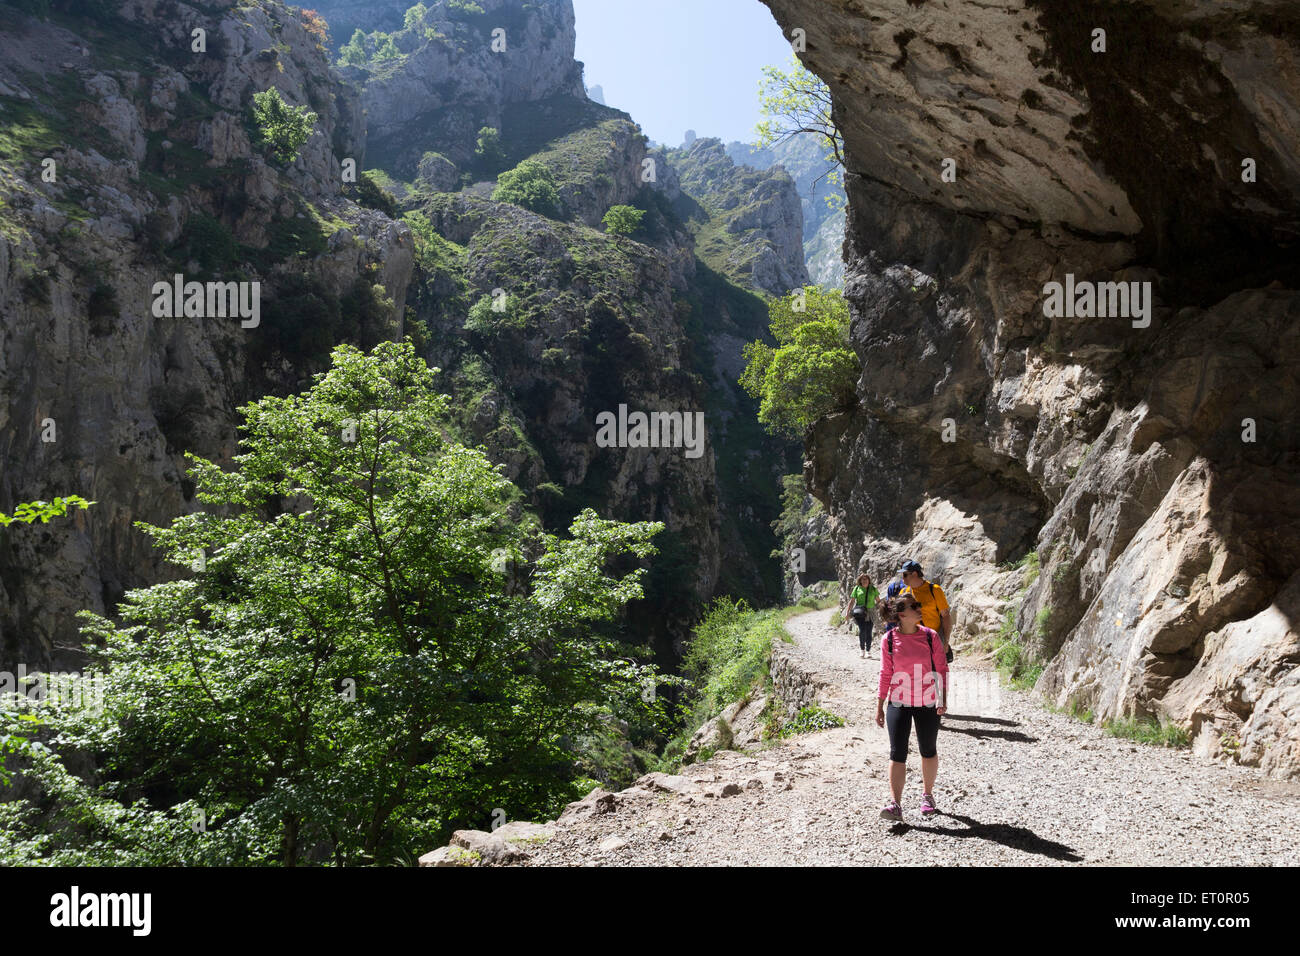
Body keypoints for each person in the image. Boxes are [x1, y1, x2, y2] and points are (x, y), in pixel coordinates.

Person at [876, 594, 948, 821]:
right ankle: (895, 804)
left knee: (928, 749)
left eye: (918, 604)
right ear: (901, 614)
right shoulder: (888, 640)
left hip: (927, 702)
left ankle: (927, 796)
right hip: (898, 702)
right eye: (913, 606)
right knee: (897, 752)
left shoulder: (930, 636)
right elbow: (885, 673)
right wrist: (879, 705)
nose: (919, 608)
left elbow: (942, 668)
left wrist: (942, 697)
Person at [899, 559, 954, 663]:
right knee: (917, 675)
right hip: (913, 642)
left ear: (914, 574)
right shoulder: (904, 592)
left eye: (905, 575)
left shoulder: (934, 590)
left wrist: (946, 642)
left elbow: (945, 616)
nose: (902, 578)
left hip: (935, 640)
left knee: (934, 675)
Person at [844, 572, 878, 658]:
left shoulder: (873, 589)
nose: (864, 581)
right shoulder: (857, 588)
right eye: (863, 579)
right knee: (862, 630)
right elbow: (852, 601)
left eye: (866, 579)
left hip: (871, 612)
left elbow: (878, 601)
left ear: (869, 580)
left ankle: (868, 651)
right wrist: (847, 613)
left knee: (869, 631)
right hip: (860, 612)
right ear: (860, 580)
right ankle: (862, 649)